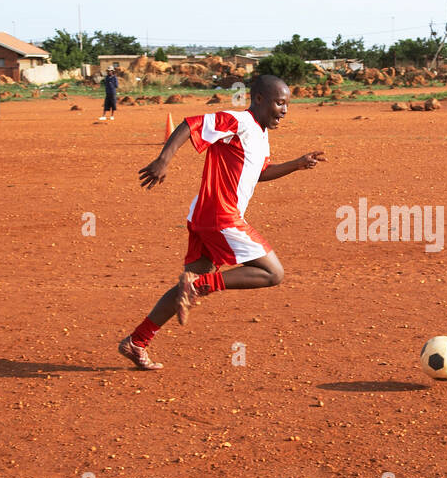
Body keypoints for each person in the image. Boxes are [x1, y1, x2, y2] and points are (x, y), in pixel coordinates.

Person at [118, 75, 325, 370]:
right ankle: (199, 287)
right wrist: (164, 160)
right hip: (220, 215)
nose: (285, 110)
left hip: (204, 215)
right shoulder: (238, 121)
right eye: (280, 103)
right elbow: (190, 125)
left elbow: (260, 173)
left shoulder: (260, 134)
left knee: (188, 284)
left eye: (288, 104)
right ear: (259, 99)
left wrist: (297, 163)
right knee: (272, 273)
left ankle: (137, 341)